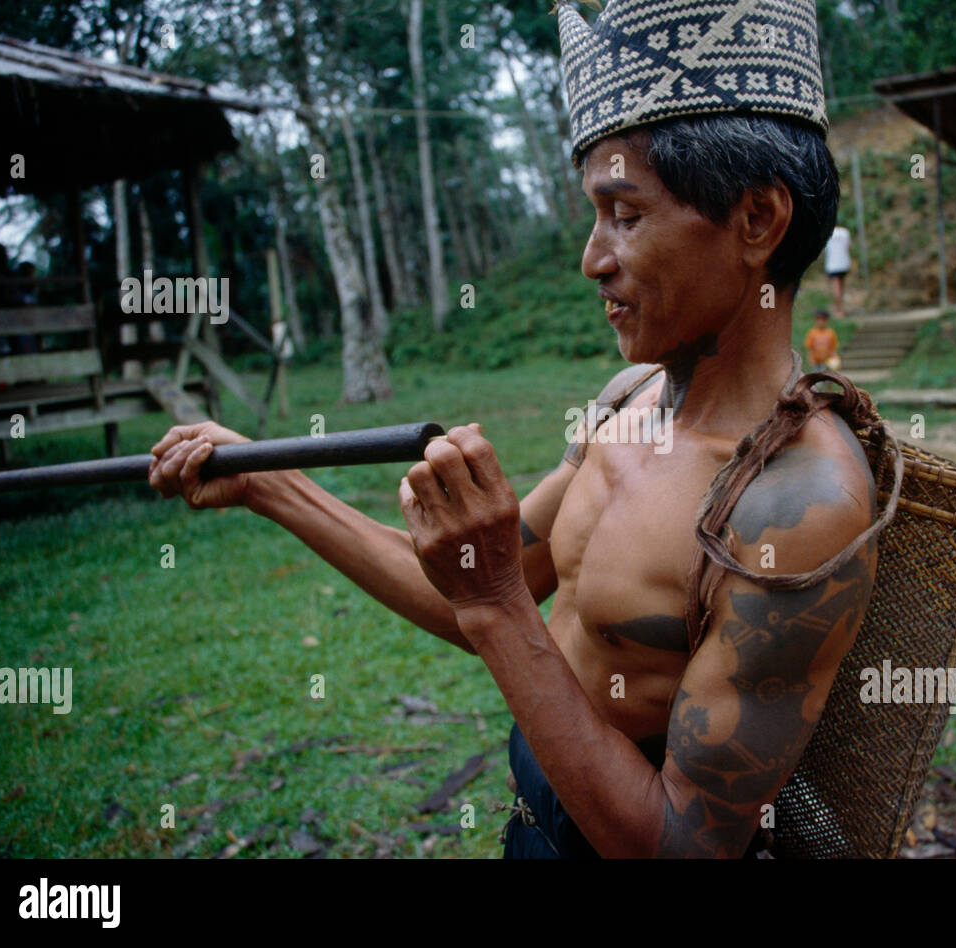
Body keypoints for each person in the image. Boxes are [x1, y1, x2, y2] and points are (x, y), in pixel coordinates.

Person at [147, 0, 876, 859]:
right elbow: (473, 593)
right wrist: (273, 487)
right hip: (540, 821)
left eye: (627, 215)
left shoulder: (797, 503)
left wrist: (496, 606)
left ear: (758, 221)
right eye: (595, 215)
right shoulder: (631, 398)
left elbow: (683, 845)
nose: (592, 258)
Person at [824, 224, 851, 317]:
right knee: (842, 286)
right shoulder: (845, 232)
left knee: (836, 287)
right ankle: (841, 308)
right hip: (844, 263)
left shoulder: (828, 233)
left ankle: (838, 310)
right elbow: (848, 247)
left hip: (832, 264)